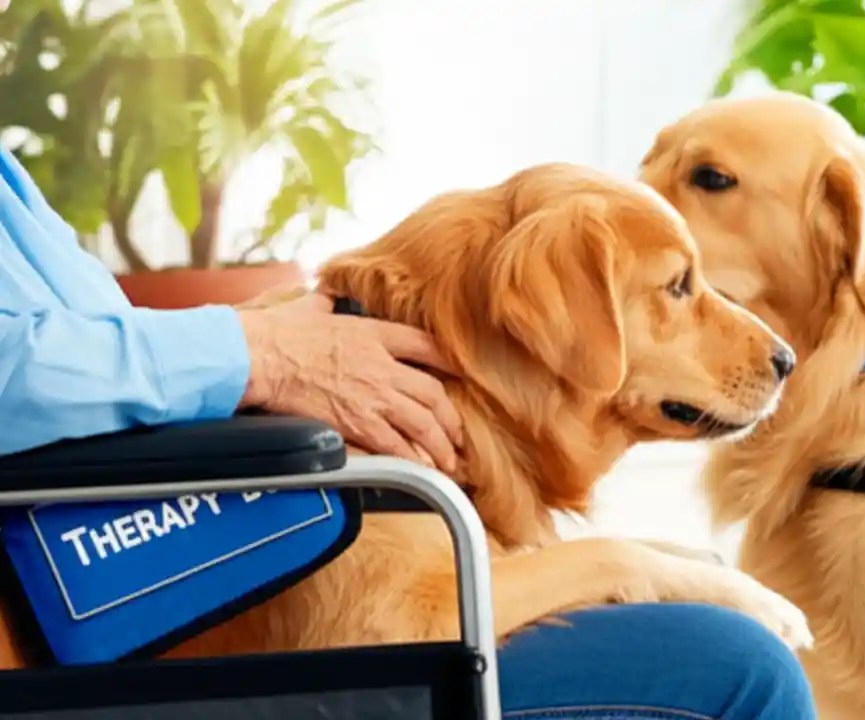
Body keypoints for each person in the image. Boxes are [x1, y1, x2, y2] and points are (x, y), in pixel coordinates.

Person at [0, 37, 817, 720]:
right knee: (741, 665)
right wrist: (263, 356)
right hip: (99, 670)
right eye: (678, 289)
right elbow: (399, 621)